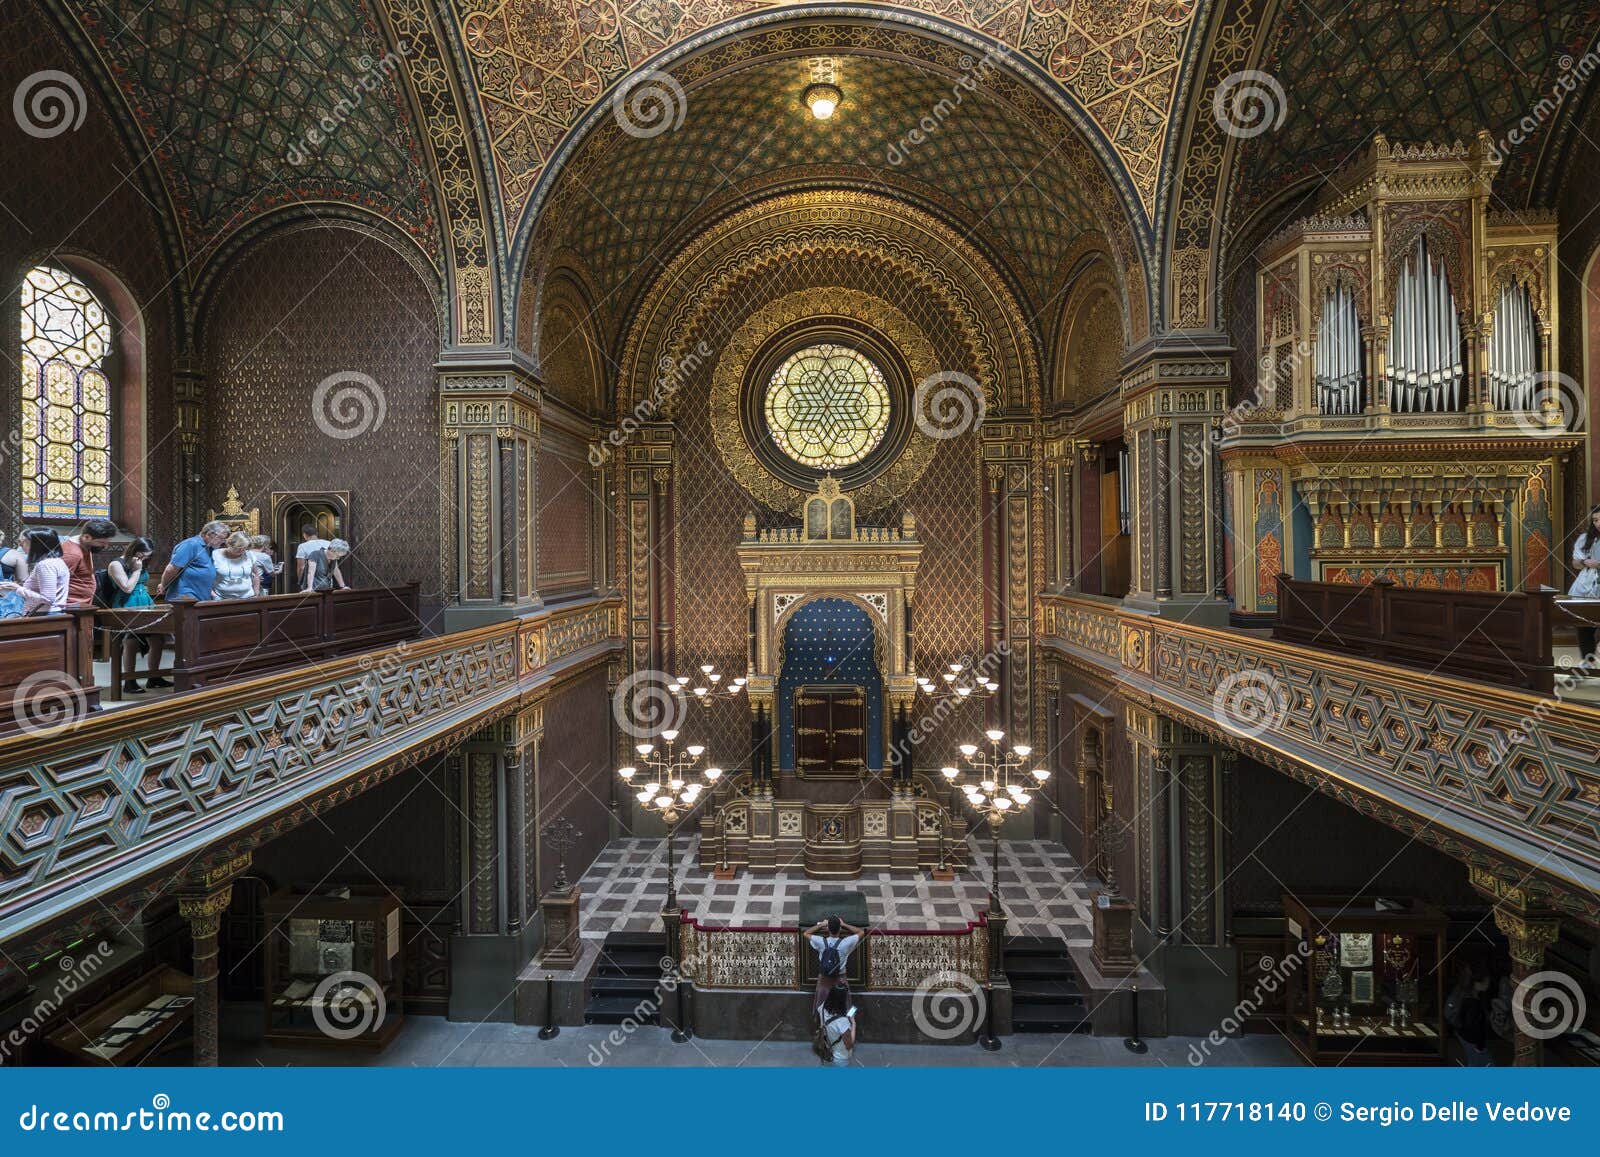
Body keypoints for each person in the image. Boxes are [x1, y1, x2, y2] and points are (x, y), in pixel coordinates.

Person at [107, 538, 157, 694]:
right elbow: (127, 588)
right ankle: (130, 681)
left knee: (158, 639)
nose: (144, 560)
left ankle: (154, 677)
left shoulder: (140, 563)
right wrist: (136, 571)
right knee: (131, 641)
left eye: (147, 557)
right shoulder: (116, 564)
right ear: (133, 551)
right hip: (127, 605)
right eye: (142, 555)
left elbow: (141, 582)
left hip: (145, 603)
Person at [155, 519, 229, 614]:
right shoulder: (190, 544)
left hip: (200, 599)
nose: (223, 542)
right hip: (185, 598)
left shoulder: (208, 547)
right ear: (210, 534)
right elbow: (171, 569)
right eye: (221, 538)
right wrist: (163, 585)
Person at [0, 529, 71, 616]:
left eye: (25, 541)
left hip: (45, 614)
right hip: (52, 612)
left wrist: (18, 588)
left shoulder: (45, 565)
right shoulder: (57, 561)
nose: (21, 545)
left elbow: (48, 599)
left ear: (37, 544)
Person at [804, 914, 865, 1012]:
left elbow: (806, 933)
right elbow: (861, 932)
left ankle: (821, 1023)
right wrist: (844, 924)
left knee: (821, 1004)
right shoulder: (846, 942)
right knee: (847, 1003)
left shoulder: (821, 941)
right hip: (841, 979)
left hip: (824, 980)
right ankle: (851, 1022)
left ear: (828, 929)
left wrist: (821, 924)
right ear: (839, 929)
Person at [58, 517, 118, 607]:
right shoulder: (72, 554)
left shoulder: (86, 545)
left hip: (81, 604)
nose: (105, 546)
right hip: (71, 606)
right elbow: (58, 582)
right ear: (86, 537)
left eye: (107, 542)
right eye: (101, 542)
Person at [1569, 504, 1600, 667]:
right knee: (1585, 622)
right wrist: (1585, 561)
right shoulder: (1585, 538)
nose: (1598, 523)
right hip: (1588, 583)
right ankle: (1588, 660)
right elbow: (1575, 563)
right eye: (1595, 520)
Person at [813, 983, 857, 1067]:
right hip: (841, 1059)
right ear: (842, 1000)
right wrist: (854, 1024)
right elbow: (849, 1045)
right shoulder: (843, 1022)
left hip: (827, 1053)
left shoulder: (822, 1008)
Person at [212, 532, 261, 599]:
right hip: (221, 597)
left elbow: (256, 574)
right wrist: (213, 595)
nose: (241, 550)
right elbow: (206, 577)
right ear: (230, 544)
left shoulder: (250, 555)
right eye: (238, 547)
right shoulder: (215, 554)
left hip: (248, 596)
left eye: (244, 548)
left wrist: (256, 593)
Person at [295, 522, 330, 591]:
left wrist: (301, 582)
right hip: (327, 581)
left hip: (311, 583)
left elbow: (301, 567)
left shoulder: (303, 546)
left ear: (304, 535)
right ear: (316, 533)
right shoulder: (328, 543)